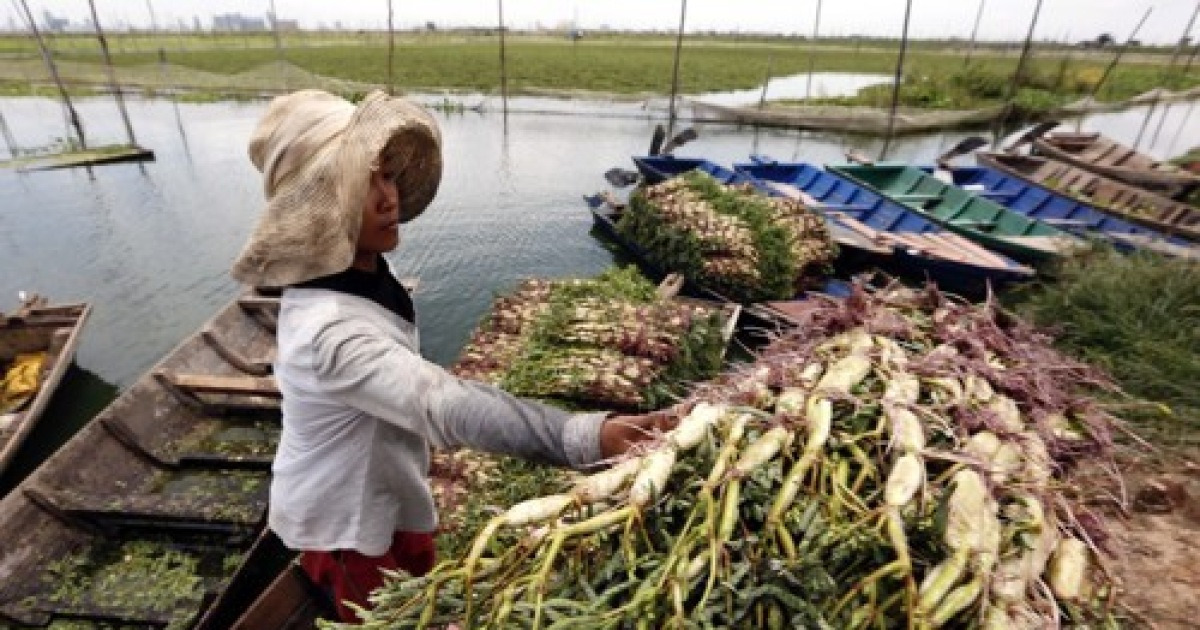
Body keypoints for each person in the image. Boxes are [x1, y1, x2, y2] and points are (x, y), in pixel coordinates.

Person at [231, 89, 673, 623]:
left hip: (394, 491)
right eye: (362, 184)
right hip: (342, 527)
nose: (387, 197)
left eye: (387, 175)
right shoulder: (327, 333)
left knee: (427, 593)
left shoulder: (364, 270)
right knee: (392, 617)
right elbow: (444, 402)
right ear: (323, 206)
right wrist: (582, 436)